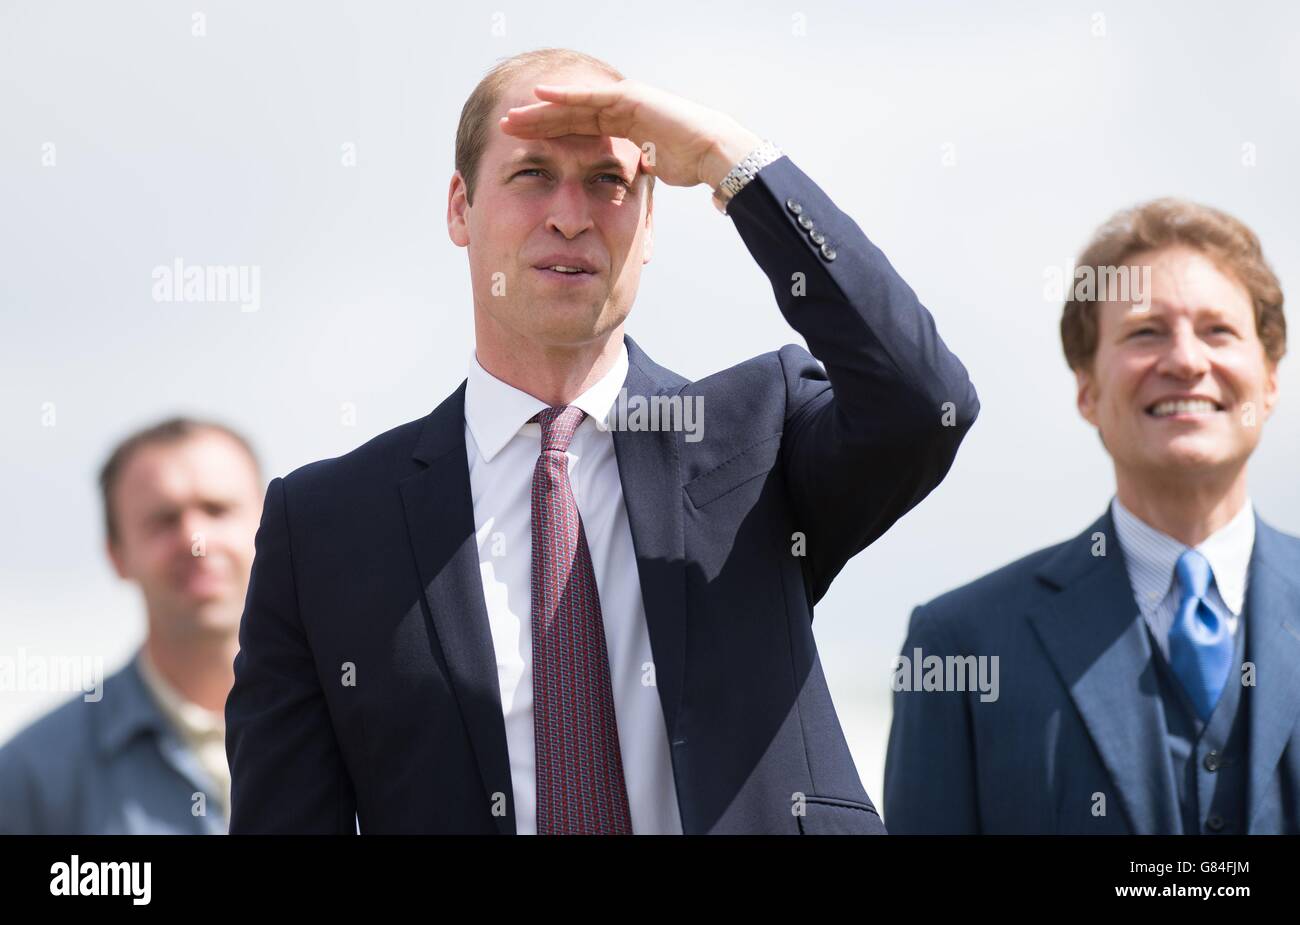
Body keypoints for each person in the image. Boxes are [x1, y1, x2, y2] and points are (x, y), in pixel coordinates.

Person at [226, 47, 978, 835]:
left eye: (608, 183)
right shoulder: (326, 528)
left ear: (649, 223)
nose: (572, 215)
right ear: (460, 207)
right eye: (532, 174)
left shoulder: (757, 435)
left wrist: (734, 161)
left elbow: (928, 404)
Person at [884, 198, 1297, 834]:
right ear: (1087, 390)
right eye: (1145, 332)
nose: (1186, 361)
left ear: (1269, 381)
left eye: (1218, 330)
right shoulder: (959, 644)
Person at [0, 417, 263, 834]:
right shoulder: (29, 777)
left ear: (268, 528)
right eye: (163, 520)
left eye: (217, 510)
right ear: (117, 555)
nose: (195, 538)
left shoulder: (358, 728)